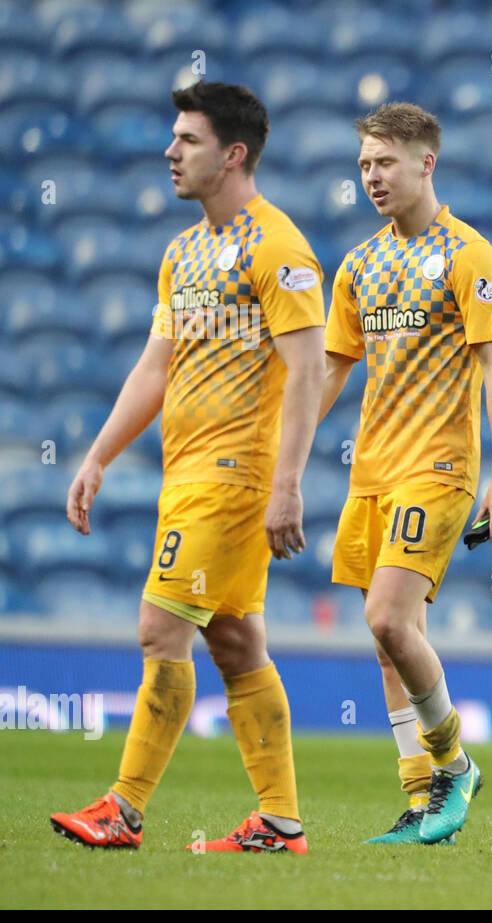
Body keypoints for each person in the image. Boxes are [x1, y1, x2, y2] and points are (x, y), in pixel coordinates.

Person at [53, 81, 326, 853]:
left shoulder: (279, 248)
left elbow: (307, 369)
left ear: (233, 154)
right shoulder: (184, 253)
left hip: (235, 477)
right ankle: (279, 822)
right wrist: (99, 455)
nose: (169, 152)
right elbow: (154, 367)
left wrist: (287, 485)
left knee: (158, 627)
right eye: (173, 138)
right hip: (187, 474)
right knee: (235, 644)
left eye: (188, 140)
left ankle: (124, 808)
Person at [318, 102, 492, 845]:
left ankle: (455, 765)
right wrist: (279, 458)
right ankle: (422, 794)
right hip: (371, 472)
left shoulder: (469, 254)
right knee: (386, 639)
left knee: (388, 618)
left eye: (386, 163)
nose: (372, 176)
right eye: (365, 163)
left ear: (426, 163)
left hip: (439, 467)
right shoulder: (359, 265)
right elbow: (330, 371)